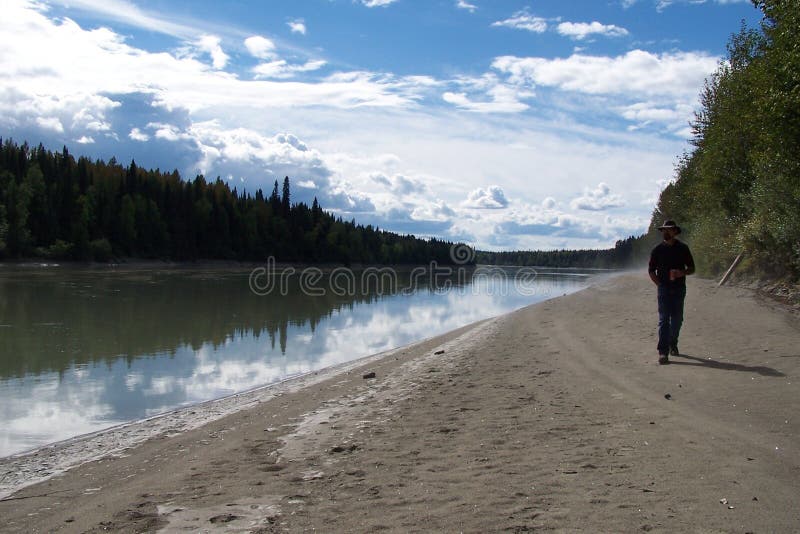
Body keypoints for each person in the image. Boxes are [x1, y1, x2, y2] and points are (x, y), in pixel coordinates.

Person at [648, 220, 695, 365]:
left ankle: (672, 343)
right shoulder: (657, 250)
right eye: (663, 230)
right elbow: (651, 270)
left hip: (679, 288)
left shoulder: (683, 248)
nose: (665, 232)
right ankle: (663, 352)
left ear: (675, 231)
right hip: (664, 289)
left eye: (668, 230)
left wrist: (681, 273)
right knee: (664, 320)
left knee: (677, 319)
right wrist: (659, 284)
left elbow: (692, 268)